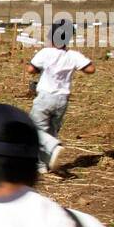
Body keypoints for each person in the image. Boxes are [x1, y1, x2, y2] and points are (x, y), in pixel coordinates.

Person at [27, 20, 93, 174]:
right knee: (51, 130)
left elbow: (31, 69)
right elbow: (90, 68)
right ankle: (43, 165)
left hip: (45, 98)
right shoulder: (73, 55)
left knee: (36, 129)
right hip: (62, 100)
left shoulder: (45, 53)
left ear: (51, 36)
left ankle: (52, 147)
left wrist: (43, 68)